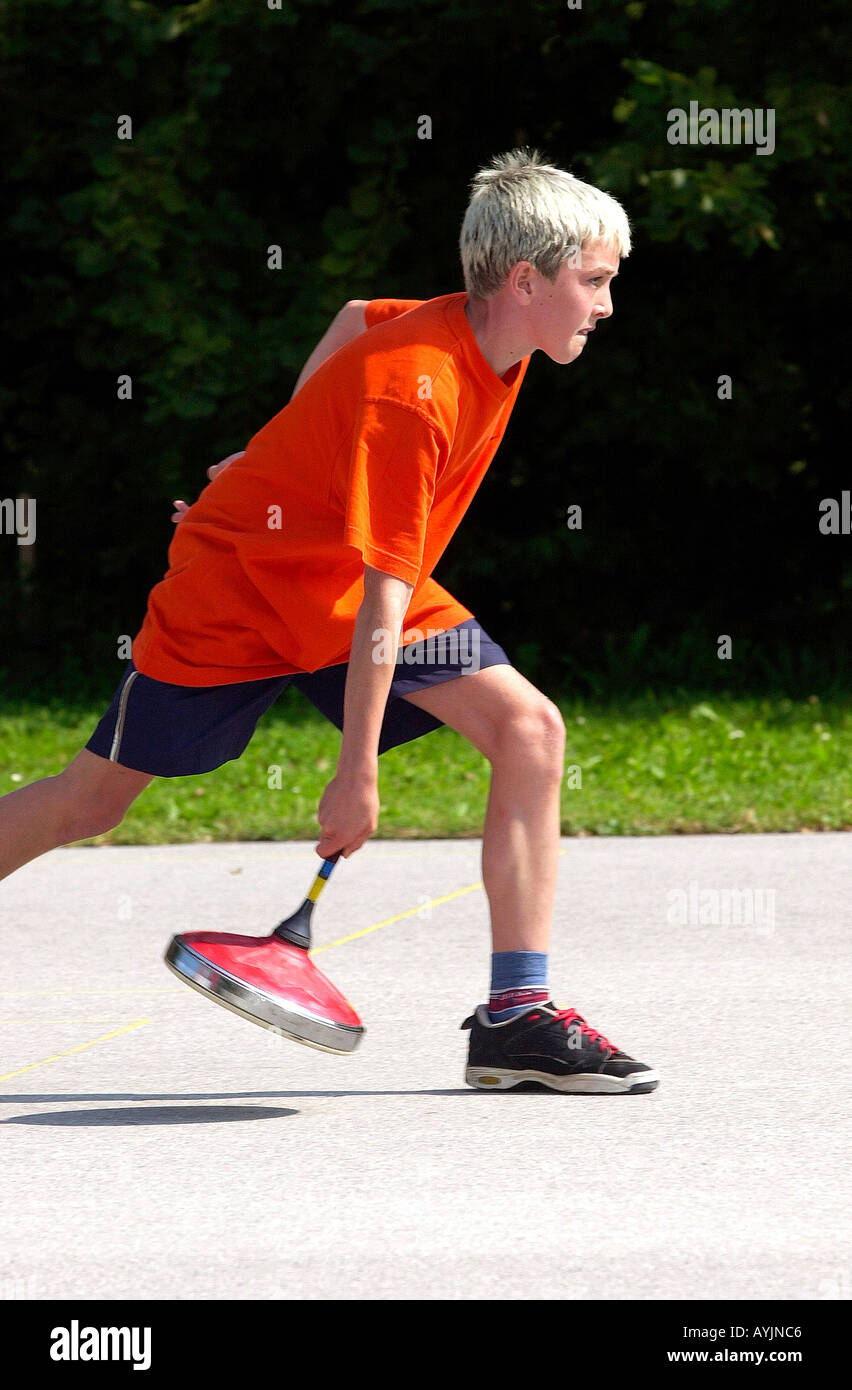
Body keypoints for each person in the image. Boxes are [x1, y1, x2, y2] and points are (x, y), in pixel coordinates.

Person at [0, 148, 658, 1094]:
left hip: (339, 575)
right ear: (526, 279)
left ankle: (517, 1015)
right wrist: (355, 777)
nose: (604, 303)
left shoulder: (474, 334)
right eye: (594, 281)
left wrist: (269, 452)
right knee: (91, 799)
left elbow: (353, 317)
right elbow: (384, 602)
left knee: (529, 728)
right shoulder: (418, 392)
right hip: (239, 588)